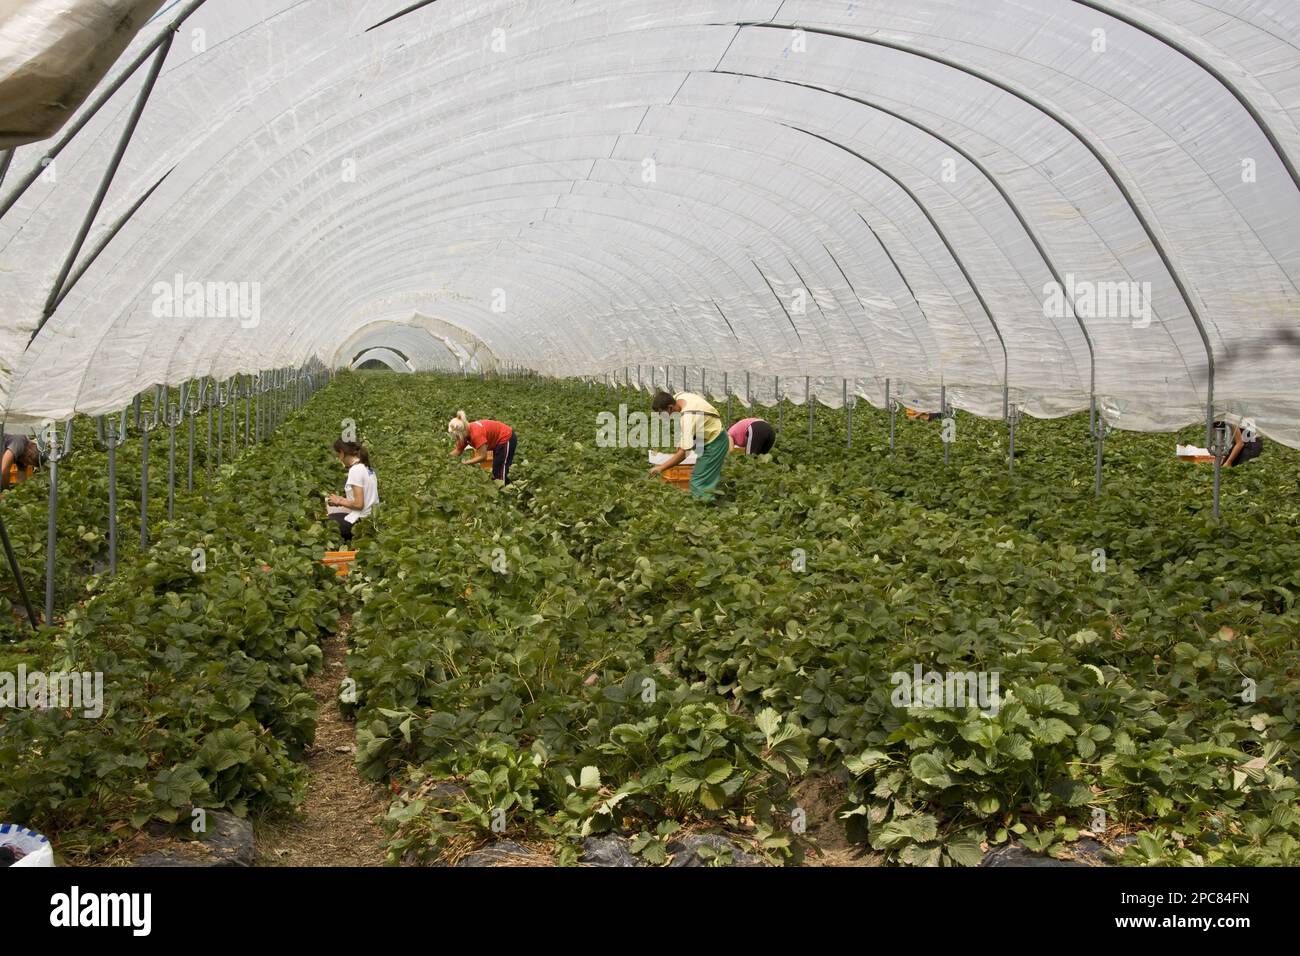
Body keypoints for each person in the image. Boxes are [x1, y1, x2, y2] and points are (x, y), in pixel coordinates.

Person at [648, 390, 727, 500]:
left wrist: (661, 468)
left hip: (715, 442)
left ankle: (706, 509)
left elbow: (684, 454)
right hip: (706, 435)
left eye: (661, 413)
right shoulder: (680, 397)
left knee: (698, 482)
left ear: (670, 408)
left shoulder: (688, 417)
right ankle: (706, 500)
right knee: (702, 476)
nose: (661, 416)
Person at [325, 439, 378, 542]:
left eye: (338, 454)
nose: (338, 458)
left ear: (342, 453)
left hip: (360, 522)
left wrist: (339, 501)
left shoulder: (355, 470)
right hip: (371, 519)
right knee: (333, 515)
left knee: (327, 524)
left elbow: (359, 504)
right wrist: (341, 500)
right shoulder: (366, 467)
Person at [449, 411, 517, 484]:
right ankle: (500, 484)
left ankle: (503, 489)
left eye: (457, 437)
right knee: (496, 467)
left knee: (499, 468)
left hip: (506, 437)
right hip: (497, 439)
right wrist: (447, 459)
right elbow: (458, 450)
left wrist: (466, 463)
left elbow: (483, 456)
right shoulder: (465, 432)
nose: (457, 439)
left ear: (462, 433)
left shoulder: (476, 434)